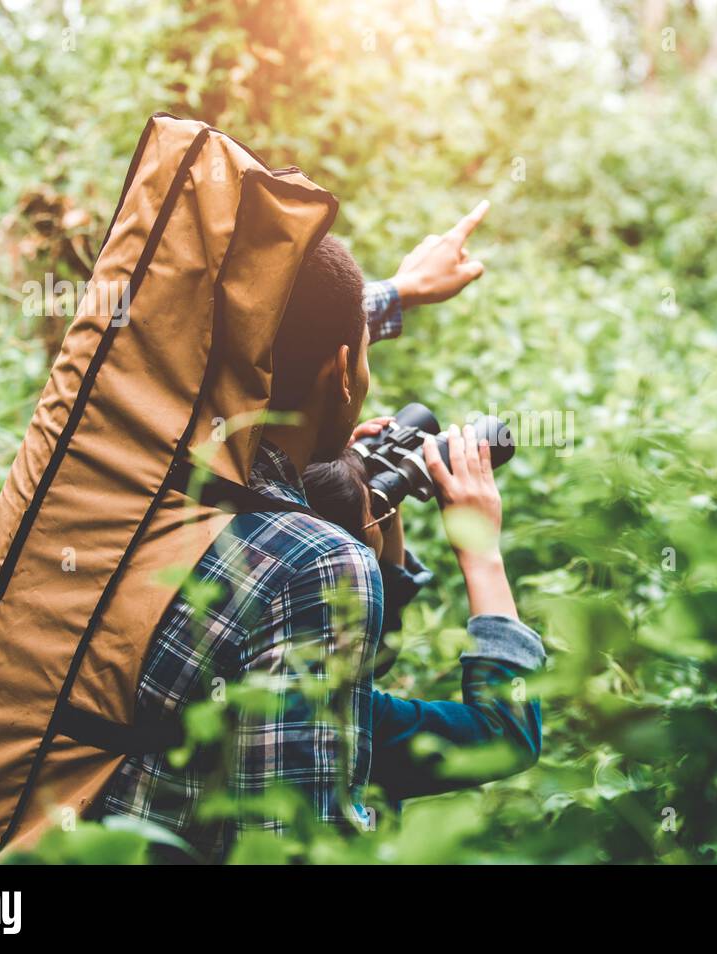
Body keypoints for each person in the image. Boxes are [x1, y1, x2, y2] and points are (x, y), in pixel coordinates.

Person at [101, 204, 545, 860]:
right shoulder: (316, 566)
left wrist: (394, 294)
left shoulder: (136, 459)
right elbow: (303, 849)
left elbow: (232, 338)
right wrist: (476, 545)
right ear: (341, 372)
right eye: (360, 357)